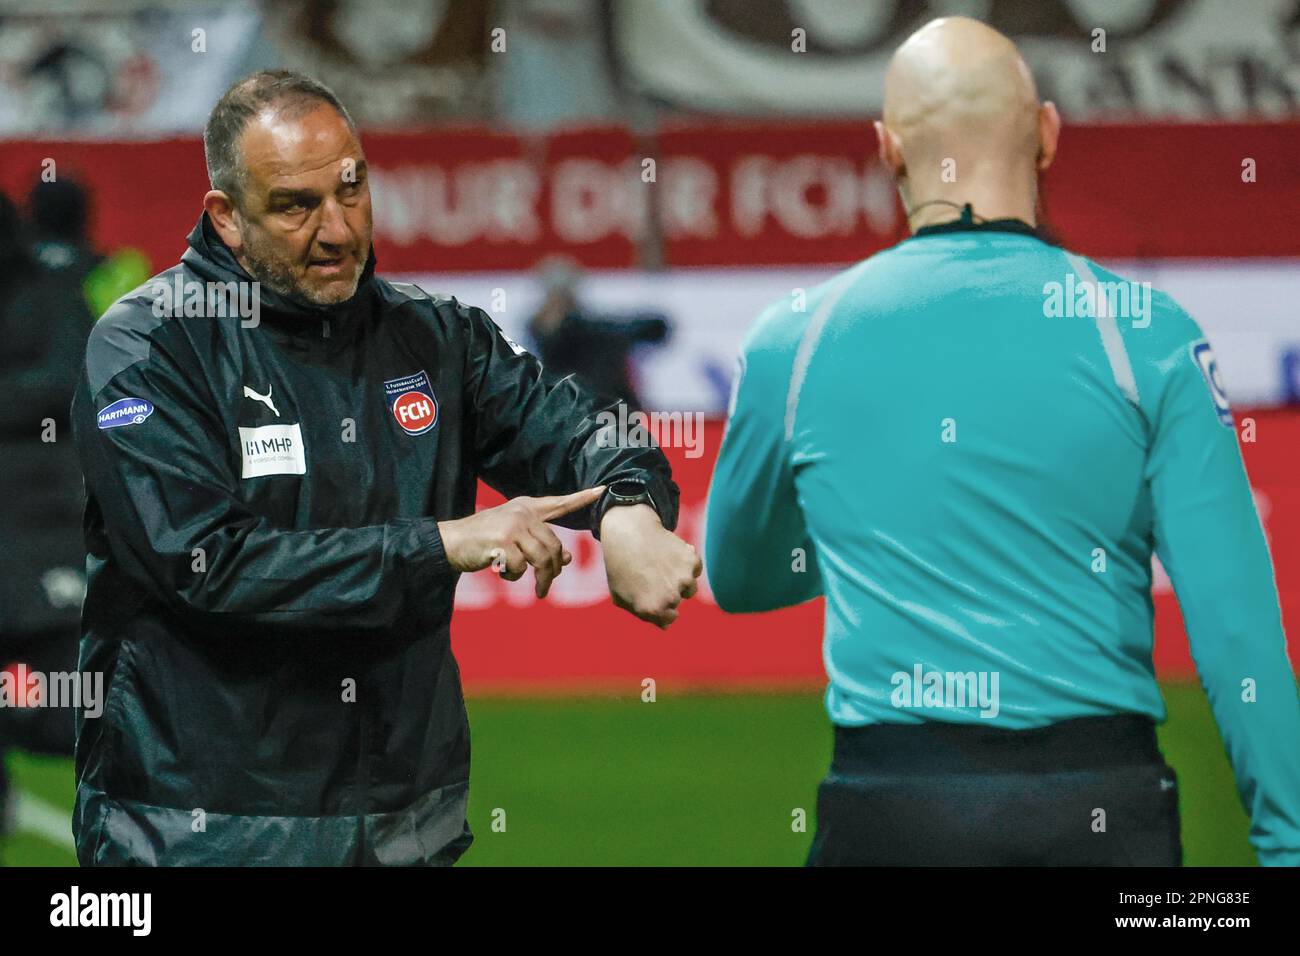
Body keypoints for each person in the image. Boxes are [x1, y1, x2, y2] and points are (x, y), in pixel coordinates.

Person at [704, 17, 1300, 866]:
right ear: (1048, 135)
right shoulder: (1145, 334)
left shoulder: (793, 340)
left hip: (888, 815)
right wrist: (1287, 844)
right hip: (1102, 810)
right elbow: (1236, 627)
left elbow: (742, 576)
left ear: (888, 151)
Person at [70, 70, 701, 866]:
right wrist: (441, 543)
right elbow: (207, 564)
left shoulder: (435, 338)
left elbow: (586, 430)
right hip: (200, 829)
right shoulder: (150, 347)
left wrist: (628, 511)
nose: (337, 229)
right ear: (226, 219)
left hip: (404, 825)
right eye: (296, 206)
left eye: (352, 188)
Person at [0, 190, 96, 856]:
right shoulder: (65, 286)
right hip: (46, 536)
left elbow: (73, 381)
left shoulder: (55, 293)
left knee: (76, 710)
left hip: (45, 538)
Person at [526, 257, 669, 410]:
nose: (559, 301)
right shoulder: (545, 329)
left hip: (617, 408)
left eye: (563, 294)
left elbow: (656, 328)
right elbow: (552, 343)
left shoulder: (595, 328)